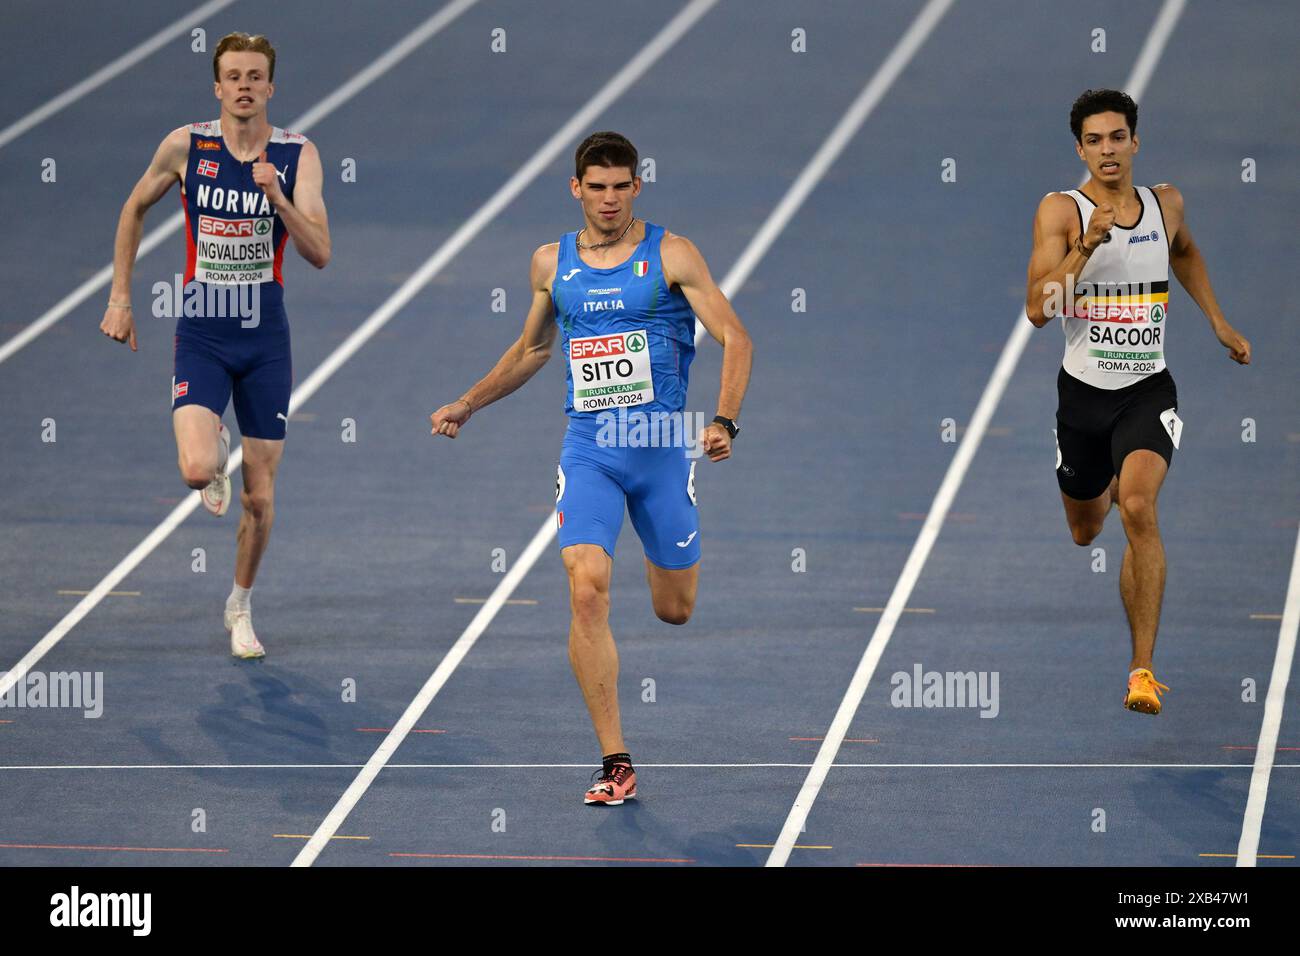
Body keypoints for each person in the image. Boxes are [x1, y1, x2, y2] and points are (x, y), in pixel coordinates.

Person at [431, 131, 753, 802]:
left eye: (620, 186)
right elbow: (532, 350)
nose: (609, 199)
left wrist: (722, 420)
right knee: (586, 589)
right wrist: (468, 401)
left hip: (662, 446)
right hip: (591, 451)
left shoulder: (671, 254)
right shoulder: (551, 263)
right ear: (576, 189)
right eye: (596, 187)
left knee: (675, 610)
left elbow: (736, 337)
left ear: (638, 187)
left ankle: (655, 544)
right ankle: (616, 761)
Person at [99, 32, 330, 658]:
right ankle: (215, 441)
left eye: (256, 75)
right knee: (198, 470)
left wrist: (277, 197)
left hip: (265, 336)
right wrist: (121, 296)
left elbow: (319, 253)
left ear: (271, 87)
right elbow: (132, 208)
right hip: (202, 325)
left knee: (258, 494)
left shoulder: (297, 154)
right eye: (234, 76)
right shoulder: (186, 144)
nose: (245, 85)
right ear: (218, 86)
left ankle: (240, 604)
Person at [1025, 89, 1250, 714]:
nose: (1107, 151)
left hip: (1148, 390)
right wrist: (1088, 245)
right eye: (1094, 141)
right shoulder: (1061, 212)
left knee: (1138, 506)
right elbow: (1038, 312)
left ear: (1135, 142)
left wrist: (1217, 322)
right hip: (1083, 399)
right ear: (1079, 149)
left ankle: (1142, 671)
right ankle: (1092, 484)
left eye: (1117, 138)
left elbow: (1184, 252)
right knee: (1085, 528)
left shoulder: (1165, 203)